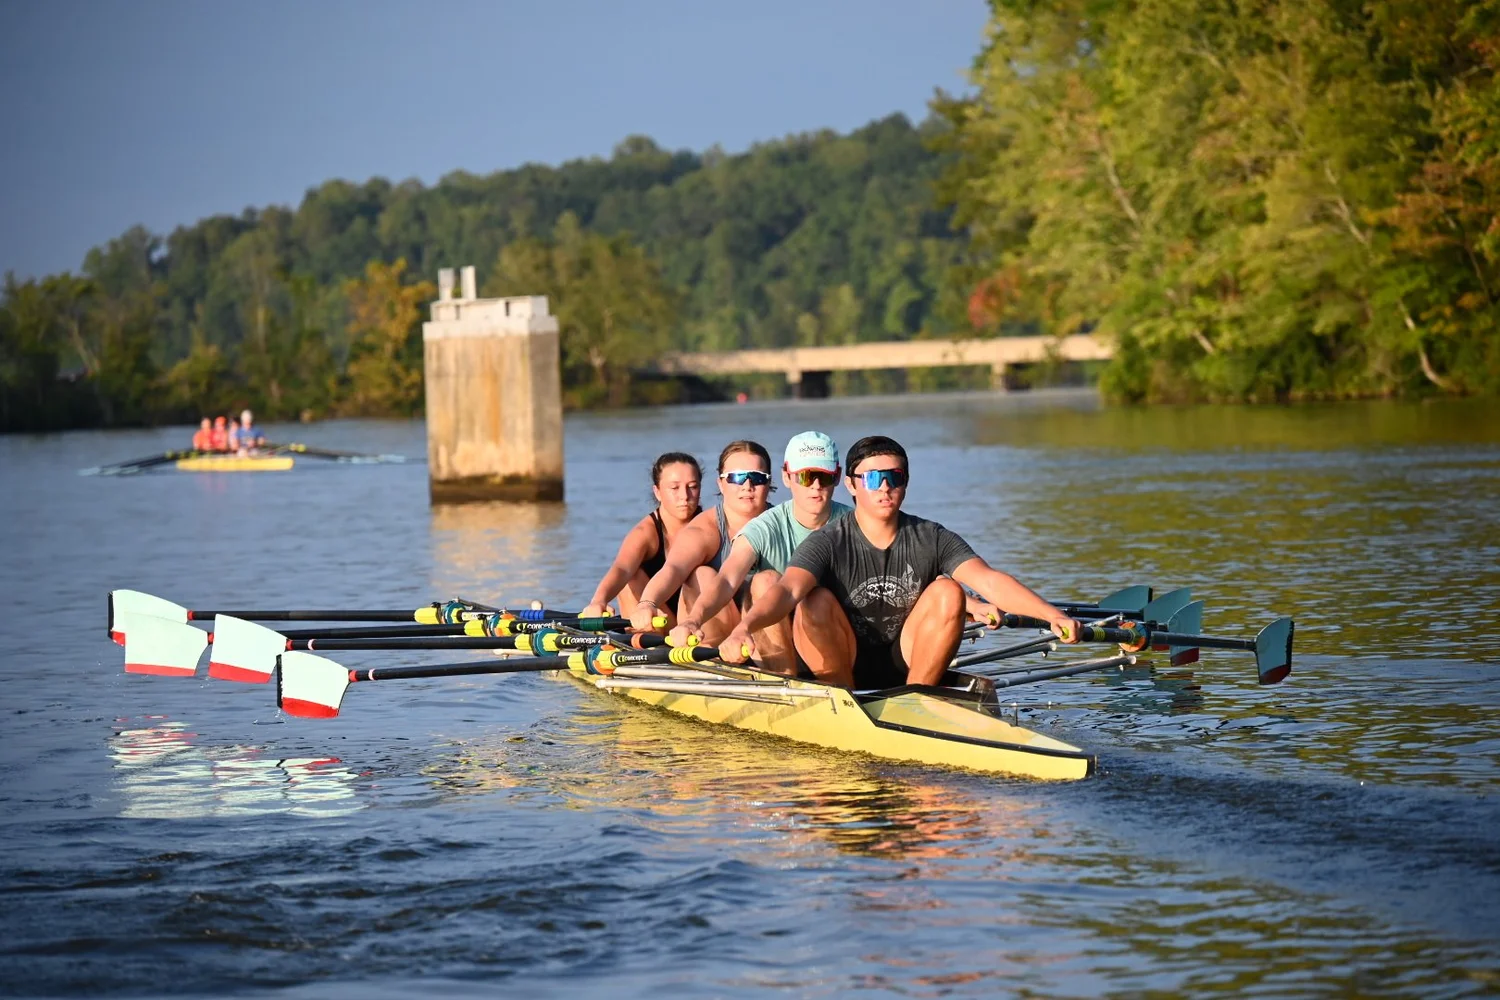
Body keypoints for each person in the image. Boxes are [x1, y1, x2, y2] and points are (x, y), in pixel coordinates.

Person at [719, 435, 1081, 688]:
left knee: (948, 590)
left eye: (895, 477)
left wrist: (1053, 615)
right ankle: (841, 696)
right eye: (874, 478)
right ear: (852, 484)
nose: (885, 487)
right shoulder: (827, 540)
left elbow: (989, 581)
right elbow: (785, 592)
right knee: (813, 599)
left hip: (904, 657)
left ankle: (919, 697)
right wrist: (743, 628)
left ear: (906, 482)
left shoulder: (931, 536)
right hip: (843, 658)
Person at [668, 431, 852, 675]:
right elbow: (726, 579)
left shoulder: (854, 523)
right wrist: (694, 620)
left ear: (837, 476)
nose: (816, 485)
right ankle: (783, 679)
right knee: (765, 581)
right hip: (779, 640)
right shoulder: (764, 526)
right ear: (787, 477)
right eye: (806, 477)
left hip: (841, 639)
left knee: (817, 600)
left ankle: (845, 686)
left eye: (824, 476)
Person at [628, 440, 775, 640]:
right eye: (736, 477)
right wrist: (647, 603)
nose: (747, 486)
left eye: (757, 478)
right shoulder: (705, 528)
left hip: (767, 628)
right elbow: (674, 570)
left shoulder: (783, 523)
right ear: (721, 484)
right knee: (702, 574)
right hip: (710, 632)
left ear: (769, 482)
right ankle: (713, 656)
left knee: (768, 582)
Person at [580, 453, 703, 620]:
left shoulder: (711, 525)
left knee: (703, 574)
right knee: (631, 576)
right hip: (656, 620)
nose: (685, 496)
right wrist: (598, 601)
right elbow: (622, 568)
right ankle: (641, 638)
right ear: (657, 492)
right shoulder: (645, 532)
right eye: (674, 488)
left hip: (699, 623)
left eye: (693, 486)